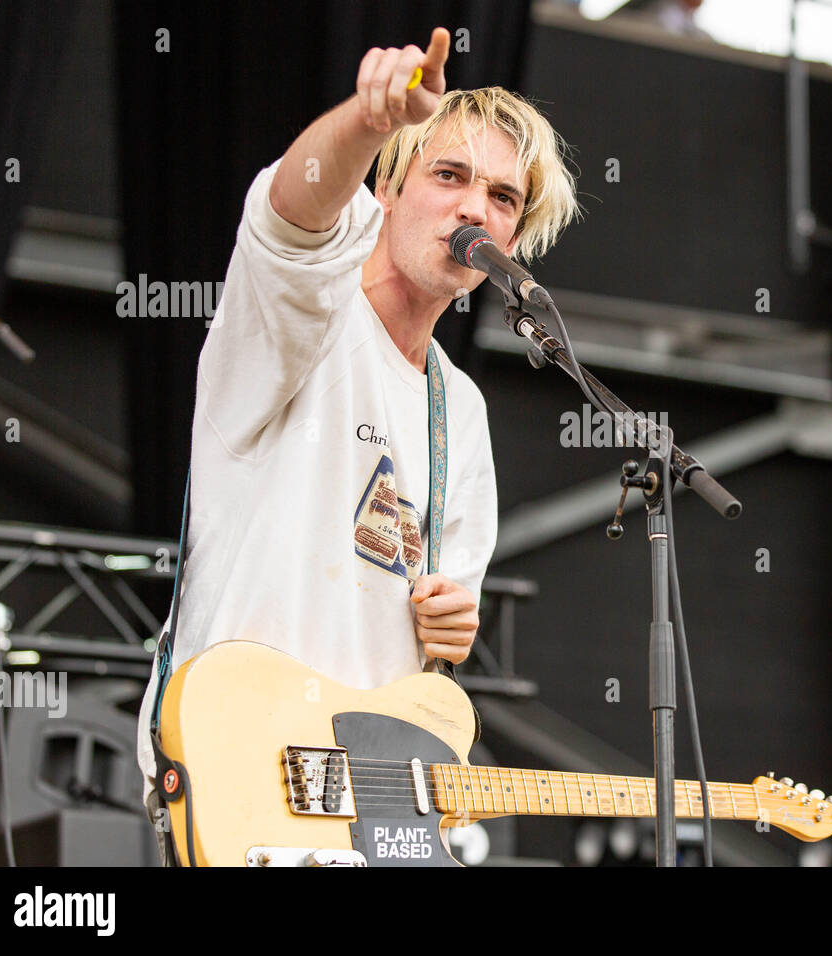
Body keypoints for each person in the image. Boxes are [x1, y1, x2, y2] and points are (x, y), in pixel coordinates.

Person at [135, 27, 580, 863]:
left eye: (502, 198)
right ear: (387, 188)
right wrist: (369, 120)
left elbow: (433, 644)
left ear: (510, 243)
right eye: (449, 175)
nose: (474, 208)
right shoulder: (306, 314)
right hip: (246, 784)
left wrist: (451, 623)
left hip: (370, 819)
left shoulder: (463, 413)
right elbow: (289, 216)